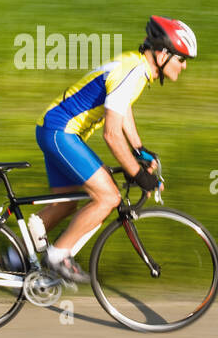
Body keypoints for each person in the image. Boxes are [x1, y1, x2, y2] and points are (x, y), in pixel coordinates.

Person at [30, 16, 197, 284]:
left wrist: (139, 149)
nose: (185, 66)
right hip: (61, 133)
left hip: (53, 129)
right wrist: (139, 174)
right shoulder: (134, 72)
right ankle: (58, 256)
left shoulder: (135, 65)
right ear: (163, 54)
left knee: (66, 203)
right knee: (108, 197)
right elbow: (111, 134)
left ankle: (15, 258)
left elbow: (121, 107)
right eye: (182, 58)